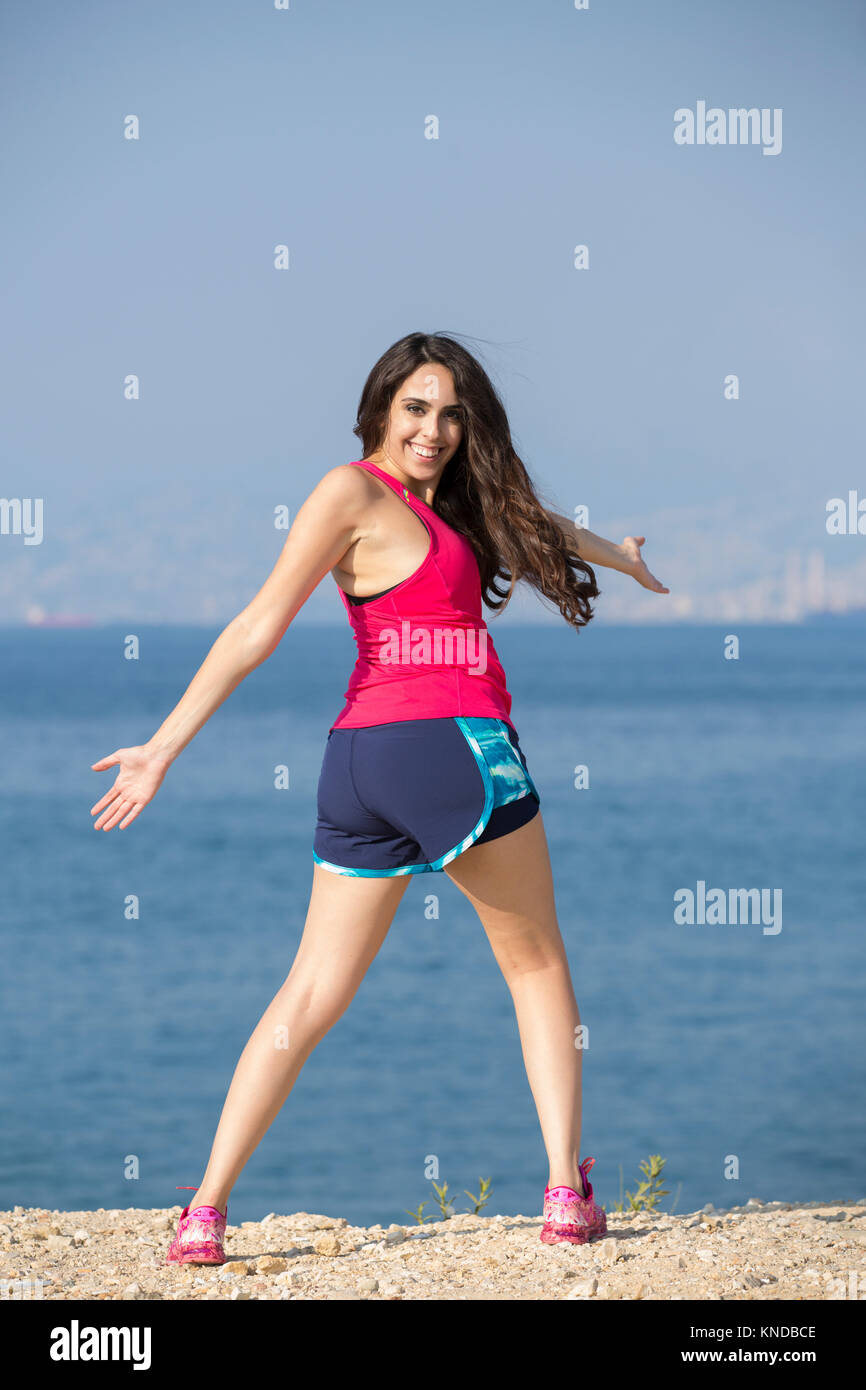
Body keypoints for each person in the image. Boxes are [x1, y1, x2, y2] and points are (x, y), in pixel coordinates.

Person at [90, 331, 669, 1265]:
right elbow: (256, 623)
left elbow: (536, 522)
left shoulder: (453, 504)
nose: (432, 431)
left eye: (450, 415)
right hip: (453, 746)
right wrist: (161, 747)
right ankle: (566, 1192)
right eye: (415, 409)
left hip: (358, 763)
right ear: (380, 407)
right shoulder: (350, 489)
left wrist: (620, 553)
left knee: (311, 991)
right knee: (534, 966)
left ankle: (203, 1213)